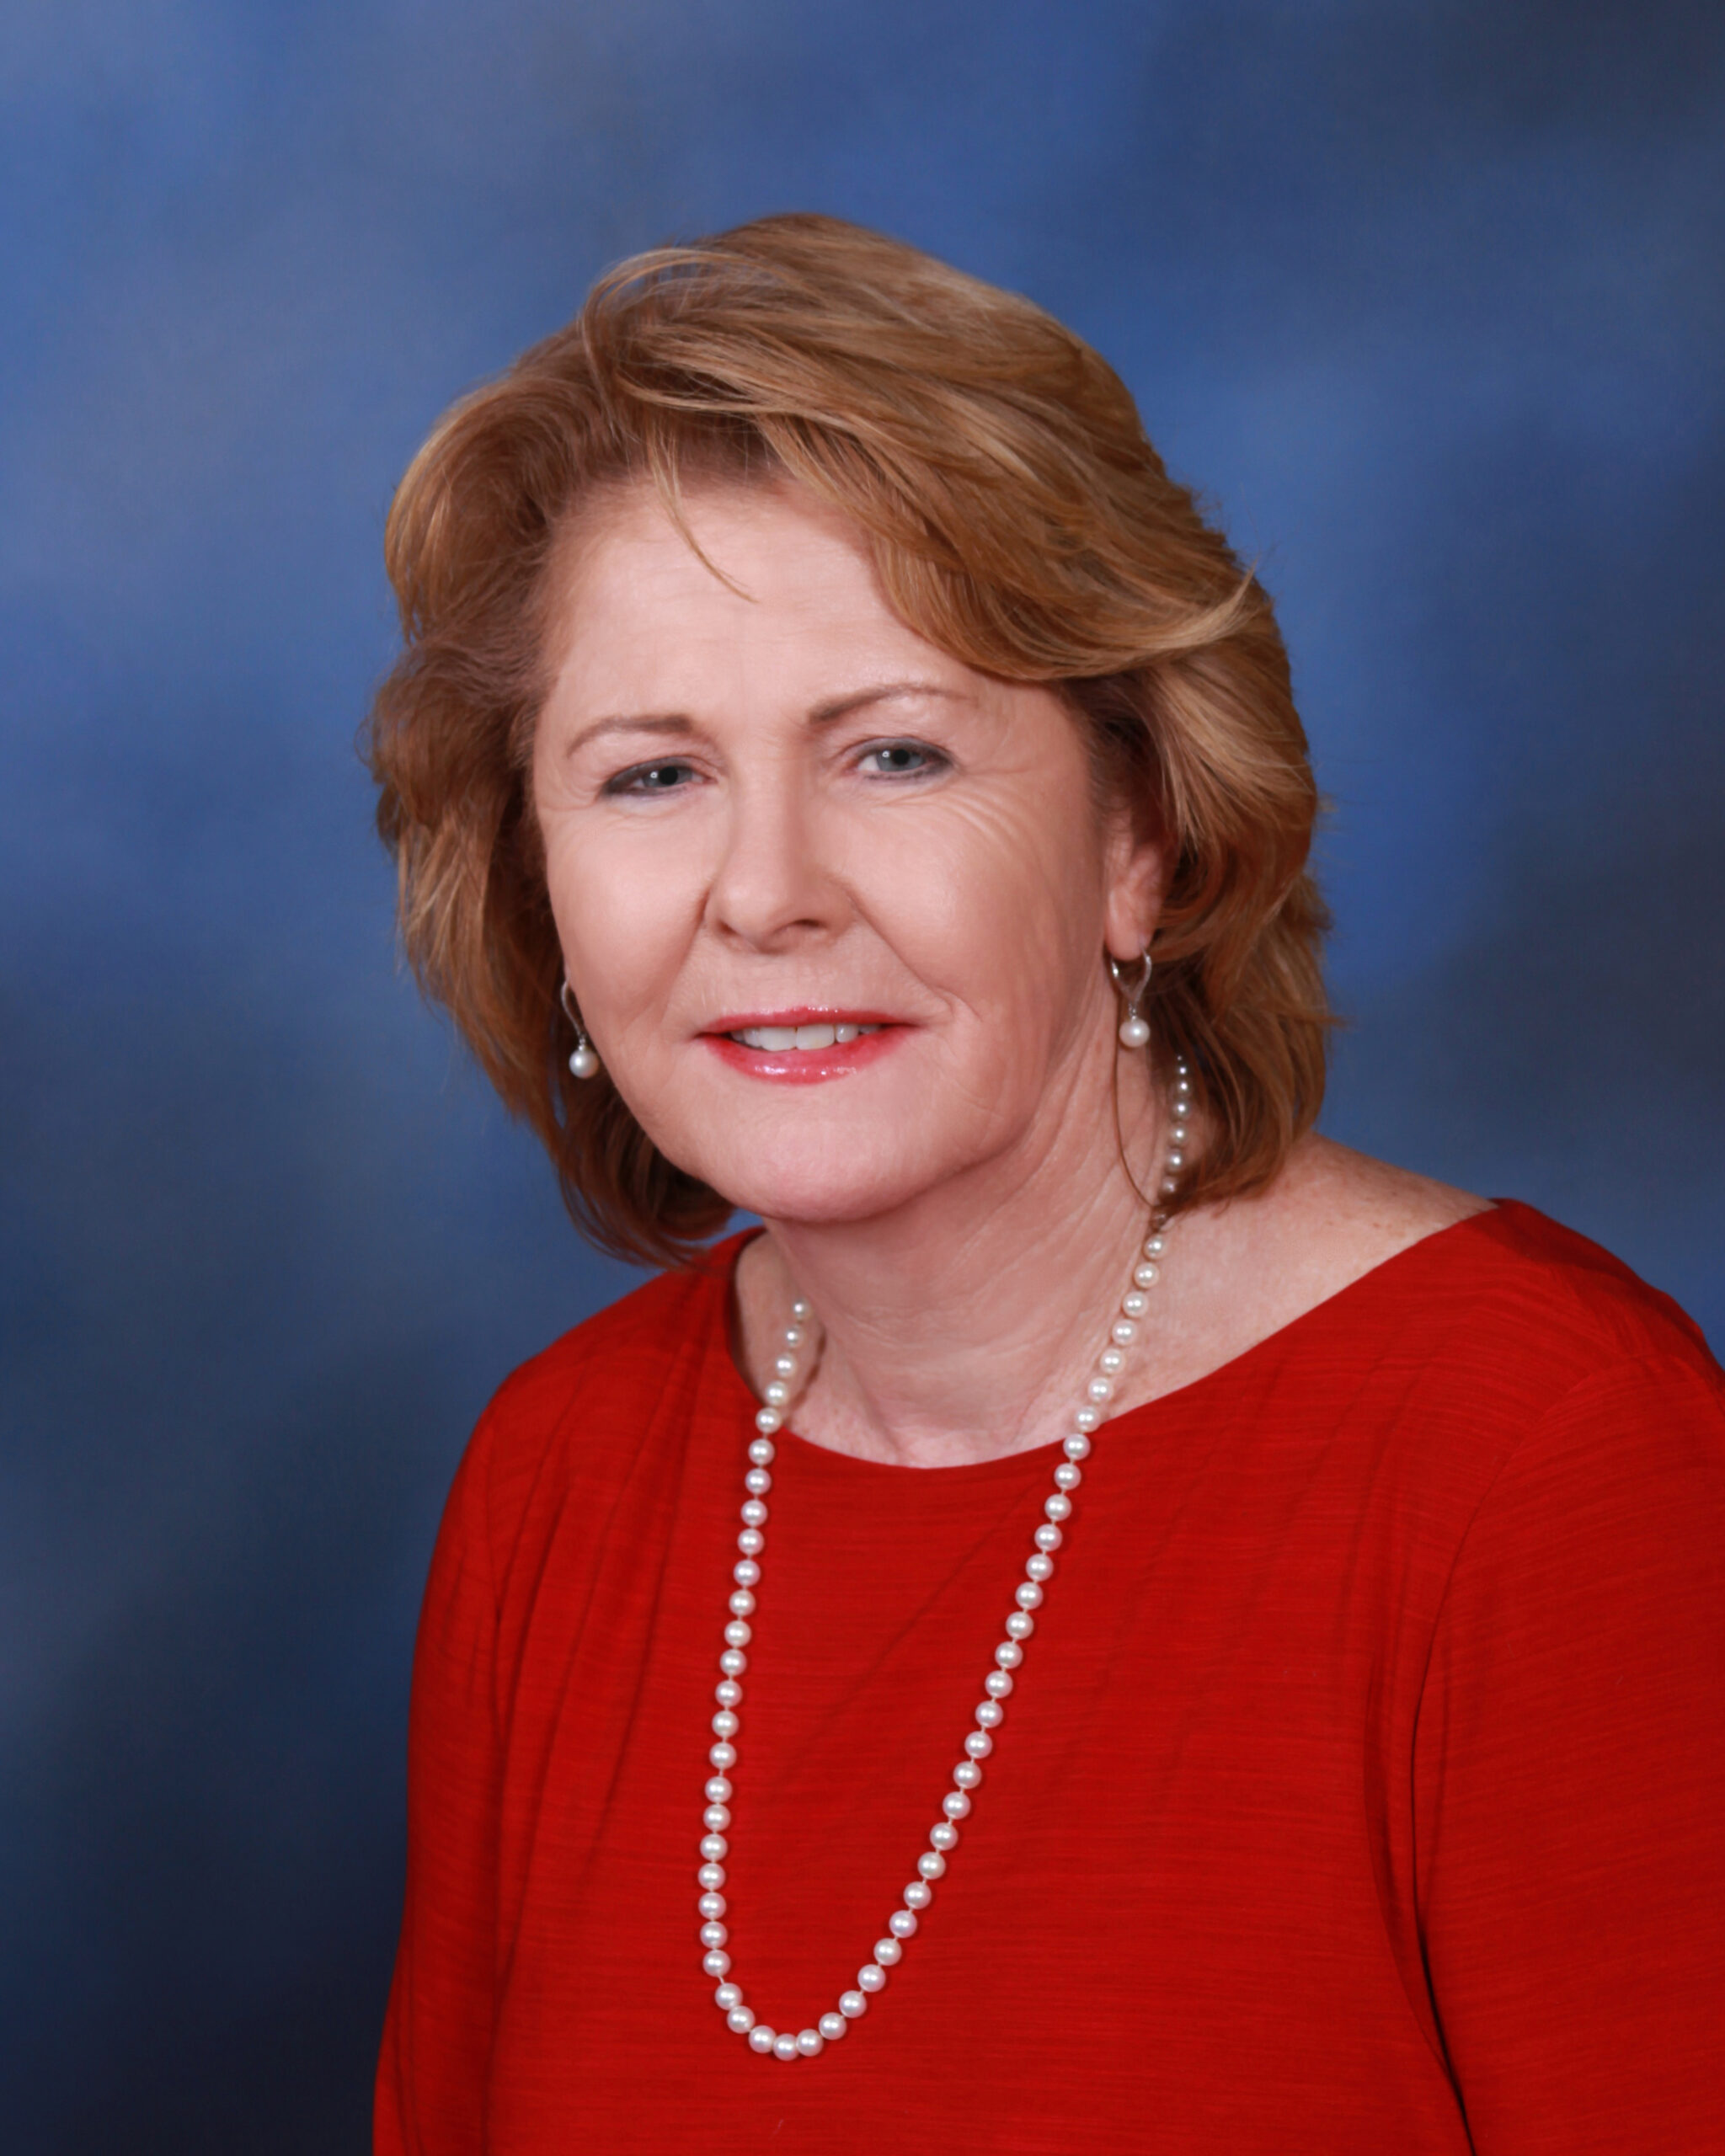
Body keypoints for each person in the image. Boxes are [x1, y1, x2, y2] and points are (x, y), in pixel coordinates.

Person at [366, 216, 1723, 2153]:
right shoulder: (557, 1482)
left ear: (1140, 838)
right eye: (652, 775)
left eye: (895, 752)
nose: (767, 891)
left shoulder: (1540, 1460)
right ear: (535, 883)